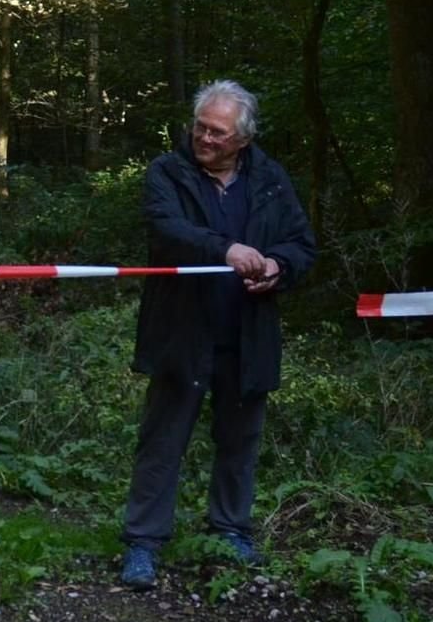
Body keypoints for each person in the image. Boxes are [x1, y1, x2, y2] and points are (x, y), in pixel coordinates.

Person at [119, 80, 316, 590]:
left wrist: (278, 266)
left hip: (248, 334)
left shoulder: (271, 179)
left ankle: (230, 531)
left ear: (242, 140)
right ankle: (143, 543)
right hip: (182, 331)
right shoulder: (168, 171)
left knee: (239, 441)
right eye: (200, 127)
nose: (204, 138)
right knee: (162, 440)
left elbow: (302, 245)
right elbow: (165, 229)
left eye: (217, 132)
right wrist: (225, 249)